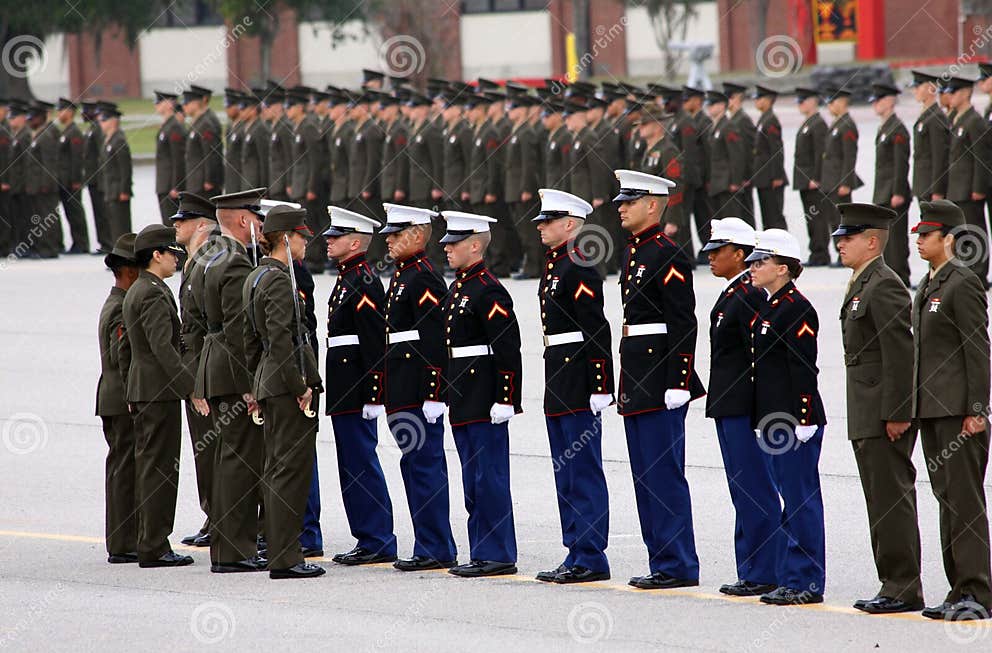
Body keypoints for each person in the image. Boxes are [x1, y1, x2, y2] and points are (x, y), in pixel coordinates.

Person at [612, 169, 704, 590]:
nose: (621, 208)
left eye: (629, 201)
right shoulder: (635, 251)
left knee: (663, 472)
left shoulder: (667, 253)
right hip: (637, 374)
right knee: (644, 474)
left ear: (653, 204)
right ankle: (661, 559)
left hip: (660, 376)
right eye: (620, 202)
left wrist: (679, 378)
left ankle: (678, 563)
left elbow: (683, 321)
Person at [832, 203, 922, 614]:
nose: (839, 244)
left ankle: (902, 587)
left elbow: (900, 352)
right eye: (838, 237)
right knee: (878, 499)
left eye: (847, 238)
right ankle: (892, 582)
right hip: (866, 409)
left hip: (884, 411)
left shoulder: (883, 283)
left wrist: (899, 412)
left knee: (890, 498)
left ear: (872, 241)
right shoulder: (861, 280)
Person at [911, 200, 992, 621]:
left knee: (965, 502)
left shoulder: (963, 283)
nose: (920, 242)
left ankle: (978, 592)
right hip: (933, 411)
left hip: (961, 412)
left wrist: (978, 409)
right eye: (919, 236)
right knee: (947, 501)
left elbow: (978, 349)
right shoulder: (928, 284)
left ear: (950, 239)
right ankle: (958, 587)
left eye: (927, 235)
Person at [529, 189, 613, 584]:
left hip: (578, 378)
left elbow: (596, 327)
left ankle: (591, 555)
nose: (541, 227)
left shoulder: (579, 265)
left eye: (548, 221)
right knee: (565, 471)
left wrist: (600, 383)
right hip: (558, 376)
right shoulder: (555, 265)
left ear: (570, 225)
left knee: (583, 470)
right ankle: (575, 550)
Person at [701, 217, 783, 597]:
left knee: (755, 488)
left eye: (719, 251)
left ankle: (765, 570)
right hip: (729, 405)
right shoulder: (734, 292)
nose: (712, 258)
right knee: (742, 488)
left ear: (740, 254)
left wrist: (758, 410)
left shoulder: (749, 295)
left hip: (744, 407)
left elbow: (759, 357)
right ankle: (750, 567)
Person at [242, 204, 325, 580]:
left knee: (276, 470)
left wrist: (254, 384)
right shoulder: (277, 279)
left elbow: (249, 343)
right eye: (302, 236)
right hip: (285, 386)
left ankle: (280, 552)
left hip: (268, 382)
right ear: (286, 239)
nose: (306, 242)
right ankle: (286, 556)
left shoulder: (257, 276)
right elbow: (279, 338)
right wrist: (299, 386)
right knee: (289, 473)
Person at [745, 228, 826, 605]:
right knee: (788, 500)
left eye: (760, 262)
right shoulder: (770, 305)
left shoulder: (797, 307)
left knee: (800, 500)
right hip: (773, 420)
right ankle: (790, 576)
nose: (753, 268)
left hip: (794, 420)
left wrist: (805, 416)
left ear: (782, 267)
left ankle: (806, 580)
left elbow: (802, 367)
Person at [378, 203, 460, 570]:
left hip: (415, 389)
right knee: (413, 467)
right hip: (401, 386)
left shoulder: (423, 277)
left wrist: (433, 391)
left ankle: (436, 547)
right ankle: (427, 543)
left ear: (416, 235)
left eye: (396, 235)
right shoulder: (403, 274)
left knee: (424, 467)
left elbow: (433, 338)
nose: (389, 242)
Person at [441, 210, 521, 578]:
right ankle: (481, 549)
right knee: (473, 479)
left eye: (453, 244)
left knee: (489, 478)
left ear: (475, 246)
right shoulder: (459, 287)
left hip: (484, 396)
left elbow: (507, 346)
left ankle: (497, 552)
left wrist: (506, 397)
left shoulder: (488, 288)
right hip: (463, 394)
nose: (446, 249)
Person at [194, 187, 268, 574]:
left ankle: (225, 548)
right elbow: (241, 329)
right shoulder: (237, 262)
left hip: (212, 363)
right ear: (243, 220)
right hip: (231, 367)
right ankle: (236, 550)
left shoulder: (209, 254)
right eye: (257, 219)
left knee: (226, 461)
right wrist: (249, 382)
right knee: (240, 462)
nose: (260, 227)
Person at [321, 205, 398, 566]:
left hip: (357, 387)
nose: (329, 241)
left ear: (355, 242)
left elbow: (373, 341)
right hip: (343, 385)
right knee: (350, 464)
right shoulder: (347, 276)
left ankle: (378, 538)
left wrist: (375, 392)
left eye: (335, 237)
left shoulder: (364, 279)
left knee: (361, 462)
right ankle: (367, 537)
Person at [117, 224, 194, 568]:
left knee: (150, 467)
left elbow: (124, 351)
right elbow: (164, 348)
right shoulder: (152, 292)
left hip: (145, 389)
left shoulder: (138, 290)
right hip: (158, 392)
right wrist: (189, 388)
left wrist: (130, 386)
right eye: (171, 253)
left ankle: (150, 541)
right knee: (160, 470)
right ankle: (154, 545)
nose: (176, 259)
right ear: (156, 256)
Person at [171, 192, 219, 548]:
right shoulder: (192, 262)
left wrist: (200, 378)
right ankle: (214, 514)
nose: (176, 224)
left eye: (182, 220)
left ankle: (224, 517)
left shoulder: (209, 261)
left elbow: (209, 326)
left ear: (202, 225)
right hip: (195, 369)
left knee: (216, 447)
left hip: (207, 370)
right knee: (205, 450)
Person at [96, 232, 139, 563]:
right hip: (121, 398)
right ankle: (124, 542)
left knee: (122, 468)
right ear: (127, 271)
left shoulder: (116, 302)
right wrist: (132, 396)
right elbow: (121, 356)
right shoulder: (123, 306)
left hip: (112, 396)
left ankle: (124, 538)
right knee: (125, 470)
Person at [943, 76, 990, 287]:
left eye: (953, 92)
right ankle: (966, 269)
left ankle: (979, 273)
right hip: (957, 187)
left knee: (975, 229)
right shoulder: (958, 119)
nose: (949, 96)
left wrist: (979, 188)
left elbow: (982, 158)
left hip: (970, 188)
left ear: (964, 93)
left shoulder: (974, 121)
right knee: (961, 232)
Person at [869, 84, 912, 287]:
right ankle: (890, 275)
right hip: (883, 192)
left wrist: (898, 191)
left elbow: (900, 163)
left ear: (889, 101)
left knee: (897, 238)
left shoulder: (897, 129)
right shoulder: (885, 127)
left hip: (893, 192)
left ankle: (901, 276)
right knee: (886, 237)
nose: (875, 104)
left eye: (878, 100)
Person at [819, 87, 863, 264]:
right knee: (833, 220)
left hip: (839, 182)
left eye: (832, 102)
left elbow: (849, 156)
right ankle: (839, 252)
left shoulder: (847, 125)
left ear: (841, 102)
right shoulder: (837, 123)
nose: (829, 106)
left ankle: (846, 254)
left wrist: (846, 182)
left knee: (842, 221)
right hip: (830, 181)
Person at [793, 87, 831, 266]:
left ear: (813, 101)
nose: (800, 105)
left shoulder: (818, 124)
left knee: (817, 218)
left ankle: (821, 253)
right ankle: (816, 251)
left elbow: (821, 153)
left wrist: (817, 177)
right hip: (804, 179)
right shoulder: (809, 122)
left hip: (812, 181)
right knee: (811, 217)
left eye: (803, 101)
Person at [704, 91, 748, 223]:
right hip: (718, 184)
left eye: (712, 104)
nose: (709, 108)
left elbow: (737, 155)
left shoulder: (728, 126)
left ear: (722, 105)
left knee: (732, 223)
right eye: (708, 105)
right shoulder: (716, 127)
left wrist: (735, 181)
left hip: (727, 184)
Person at [750, 86, 788, 230]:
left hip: (771, 178)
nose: (756, 101)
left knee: (775, 218)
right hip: (763, 178)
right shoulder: (764, 119)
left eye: (758, 98)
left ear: (767, 100)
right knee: (768, 218)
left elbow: (776, 150)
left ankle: (783, 250)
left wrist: (777, 176)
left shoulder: (771, 121)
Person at [55, 98, 89, 253]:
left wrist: (76, 179)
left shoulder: (74, 132)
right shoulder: (66, 131)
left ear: (69, 112)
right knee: (69, 212)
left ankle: (81, 243)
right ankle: (76, 242)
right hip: (64, 179)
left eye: (61, 110)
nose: (59, 114)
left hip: (71, 181)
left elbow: (77, 158)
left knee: (75, 213)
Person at [96, 102, 132, 244]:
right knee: (113, 226)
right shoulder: (109, 140)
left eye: (104, 120)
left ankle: (126, 257)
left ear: (113, 121)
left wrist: (124, 190)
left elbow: (125, 168)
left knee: (121, 227)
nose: (101, 124)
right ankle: (118, 255)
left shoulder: (119, 140)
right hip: (110, 190)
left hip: (118, 191)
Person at [154, 91, 187, 224]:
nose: (156, 105)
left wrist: (176, 185)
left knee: (172, 226)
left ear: (169, 104)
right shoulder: (166, 126)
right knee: (166, 224)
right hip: (164, 184)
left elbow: (178, 159)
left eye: (159, 102)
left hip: (170, 186)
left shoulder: (174, 127)